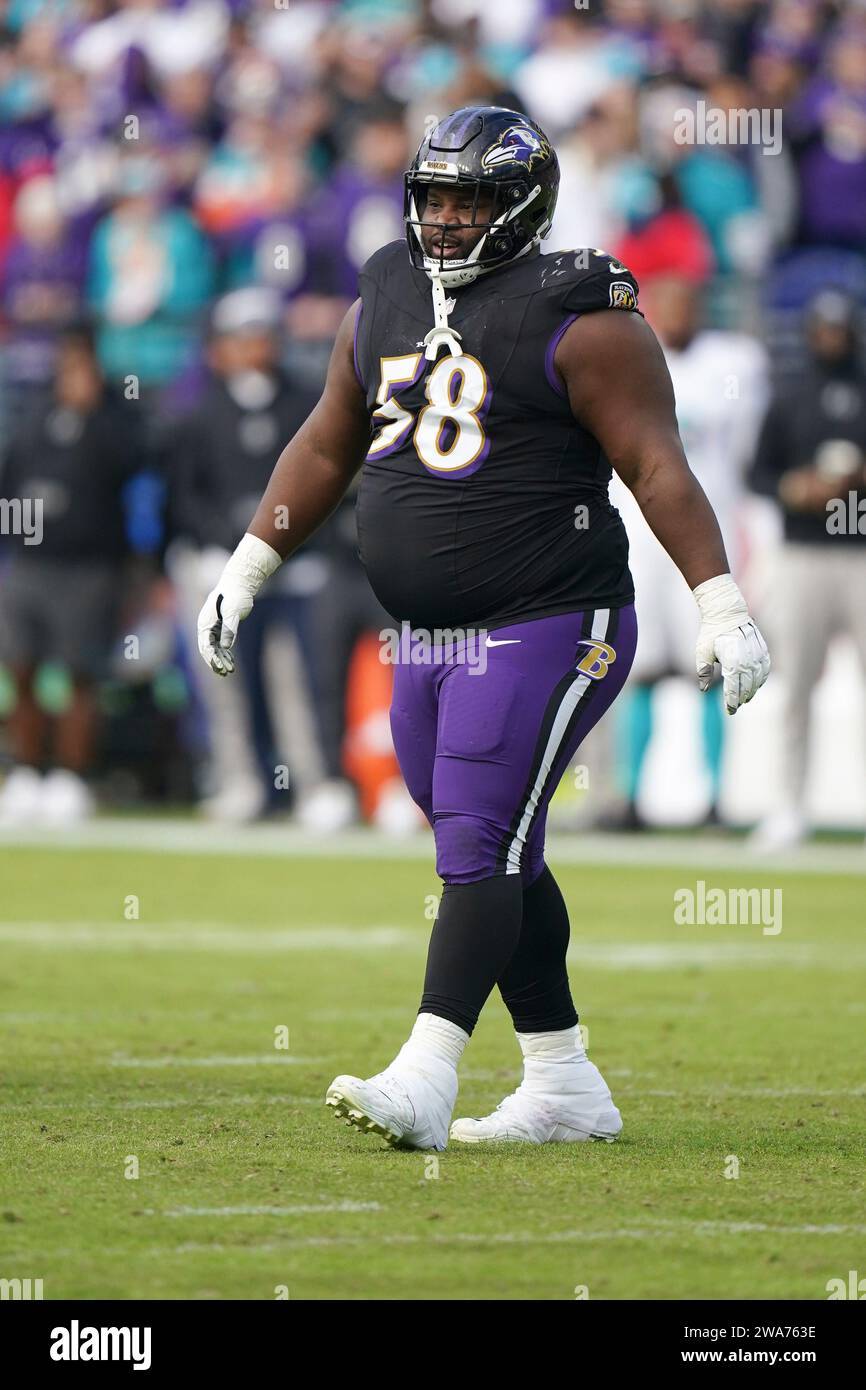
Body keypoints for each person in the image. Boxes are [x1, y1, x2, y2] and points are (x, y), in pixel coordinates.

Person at [196, 105, 770, 1151]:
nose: (447, 219)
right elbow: (327, 441)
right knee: (492, 849)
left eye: (469, 200)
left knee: (475, 840)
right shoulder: (383, 287)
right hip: (423, 632)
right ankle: (562, 1079)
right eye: (434, 198)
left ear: (521, 207)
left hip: (552, 615)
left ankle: (427, 1071)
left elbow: (653, 465)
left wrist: (719, 602)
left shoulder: (581, 311)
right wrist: (250, 561)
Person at [608, 274, 769, 828]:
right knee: (640, 667)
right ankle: (630, 797)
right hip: (638, 536)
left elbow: (748, 450)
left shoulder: (735, 363)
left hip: (708, 532)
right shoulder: (626, 357)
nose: (675, 313)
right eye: (666, 302)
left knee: (716, 662)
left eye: (685, 301)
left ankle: (715, 798)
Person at [0, 324, 137, 823]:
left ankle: (71, 775)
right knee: (20, 668)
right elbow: (11, 479)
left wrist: (94, 412)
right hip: (32, 563)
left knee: (79, 674)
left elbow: (130, 467)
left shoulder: (115, 418)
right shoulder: (36, 415)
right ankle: (26, 770)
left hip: (88, 567)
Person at [748, 289, 866, 850]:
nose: (831, 339)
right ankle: (788, 805)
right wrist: (797, 488)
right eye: (823, 329)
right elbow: (758, 474)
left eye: (839, 330)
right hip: (803, 553)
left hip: (861, 551)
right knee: (797, 686)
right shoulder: (790, 396)